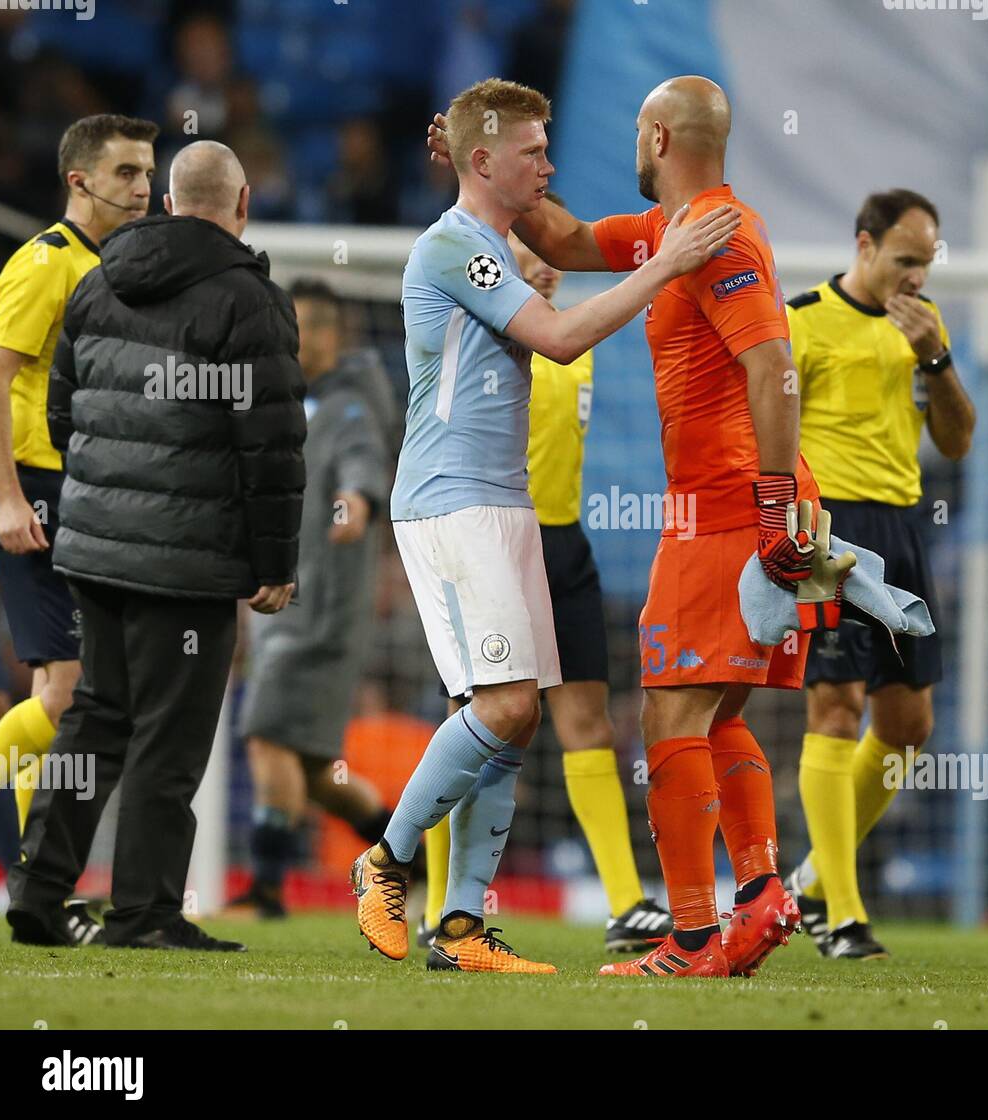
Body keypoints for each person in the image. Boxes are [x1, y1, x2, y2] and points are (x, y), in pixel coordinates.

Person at [436, 76, 838, 979]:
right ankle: (764, 894)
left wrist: (774, 498)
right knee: (718, 713)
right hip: (737, 501)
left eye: (633, 130)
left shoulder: (719, 236)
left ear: (656, 135)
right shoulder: (670, 232)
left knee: (665, 713)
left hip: (733, 505)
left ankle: (693, 938)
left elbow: (775, 366)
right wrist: (488, 170)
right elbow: (569, 241)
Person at [350, 78, 739, 974]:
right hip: (452, 500)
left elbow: (553, 278)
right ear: (484, 162)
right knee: (508, 705)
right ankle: (384, 860)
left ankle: (459, 930)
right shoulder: (456, 248)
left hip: (507, 501)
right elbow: (560, 340)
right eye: (533, 152)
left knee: (511, 720)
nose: (550, 164)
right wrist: (665, 264)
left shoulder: (494, 241)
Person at [7, 140, 306, 952]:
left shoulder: (97, 281)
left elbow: (61, 414)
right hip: (188, 559)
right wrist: (275, 564)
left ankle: (37, 891)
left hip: (94, 547)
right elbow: (271, 448)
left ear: (169, 203)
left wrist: (105, 501)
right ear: (241, 205)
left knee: (95, 719)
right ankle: (142, 913)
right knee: (169, 741)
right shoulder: (250, 300)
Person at [420, 214, 673, 953]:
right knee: (475, 724)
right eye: (533, 247)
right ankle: (444, 908)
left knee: (587, 723)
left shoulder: (573, 341)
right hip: (491, 542)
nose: (552, 261)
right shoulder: (474, 336)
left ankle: (627, 904)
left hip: (562, 545)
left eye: (559, 249)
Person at [781, 190, 975, 959]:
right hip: (828, 524)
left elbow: (956, 443)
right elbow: (772, 435)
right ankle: (843, 914)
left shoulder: (923, 329)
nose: (915, 278)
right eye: (904, 260)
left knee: (908, 728)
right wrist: (789, 534)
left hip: (902, 525)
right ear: (863, 245)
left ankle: (811, 885)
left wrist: (938, 358)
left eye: (926, 264)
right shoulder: (802, 320)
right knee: (835, 707)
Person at [0, 113, 157, 946]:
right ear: (79, 181)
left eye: (148, 172)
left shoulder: (105, 267)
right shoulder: (44, 263)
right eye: (125, 173)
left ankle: (34, 886)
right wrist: (7, 498)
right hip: (37, 489)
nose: (142, 188)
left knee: (57, 698)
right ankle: (40, 883)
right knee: (65, 697)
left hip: (83, 489)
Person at [229, 278, 401, 919]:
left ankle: (266, 892)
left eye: (305, 329)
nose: (294, 342)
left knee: (264, 732)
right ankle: (402, 856)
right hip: (290, 605)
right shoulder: (302, 401)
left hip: (321, 608)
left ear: (331, 334)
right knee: (315, 774)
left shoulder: (349, 404)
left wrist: (355, 504)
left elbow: (362, 465)